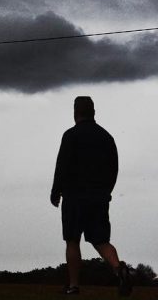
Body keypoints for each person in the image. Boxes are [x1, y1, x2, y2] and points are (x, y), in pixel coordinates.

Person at [51, 96, 131, 296]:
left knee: (72, 240)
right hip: (99, 197)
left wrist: (55, 191)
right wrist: (106, 191)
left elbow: (62, 166)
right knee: (101, 240)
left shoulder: (70, 135)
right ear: (94, 112)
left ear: (75, 112)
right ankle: (118, 268)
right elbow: (114, 168)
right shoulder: (106, 137)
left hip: (74, 197)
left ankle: (74, 285)